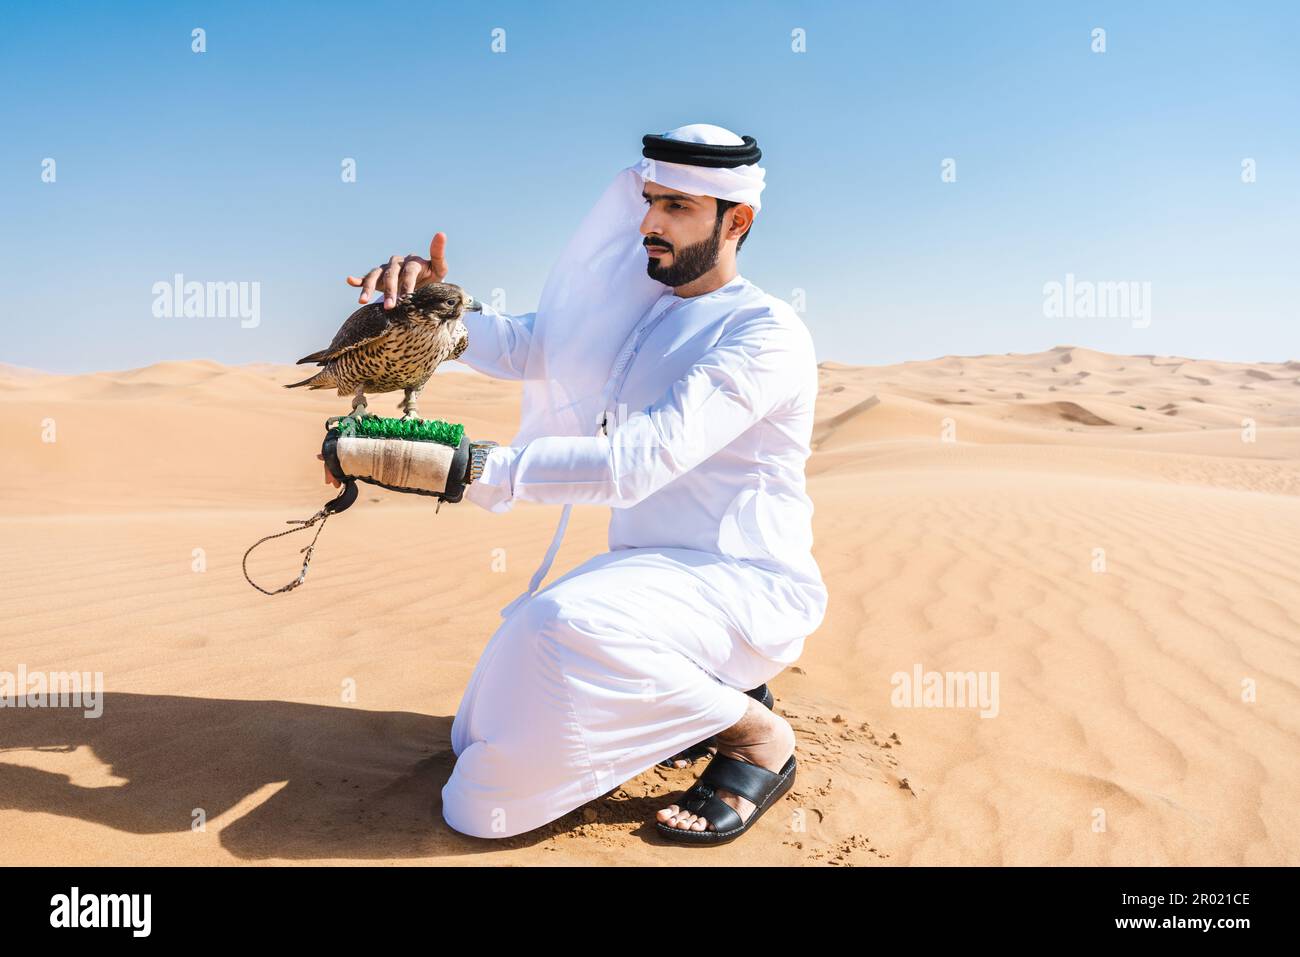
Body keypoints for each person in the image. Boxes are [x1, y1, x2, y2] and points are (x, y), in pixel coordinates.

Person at [322, 125, 828, 844]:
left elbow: (637, 460)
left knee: (523, 713)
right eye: (651, 201)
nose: (650, 222)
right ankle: (704, 688)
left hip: (745, 586)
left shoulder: (764, 333)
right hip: (649, 579)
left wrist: (475, 468)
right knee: (479, 731)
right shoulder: (642, 313)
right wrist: (432, 304)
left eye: (677, 207)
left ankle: (754, 733)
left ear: (735, 221)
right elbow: (531, 345)